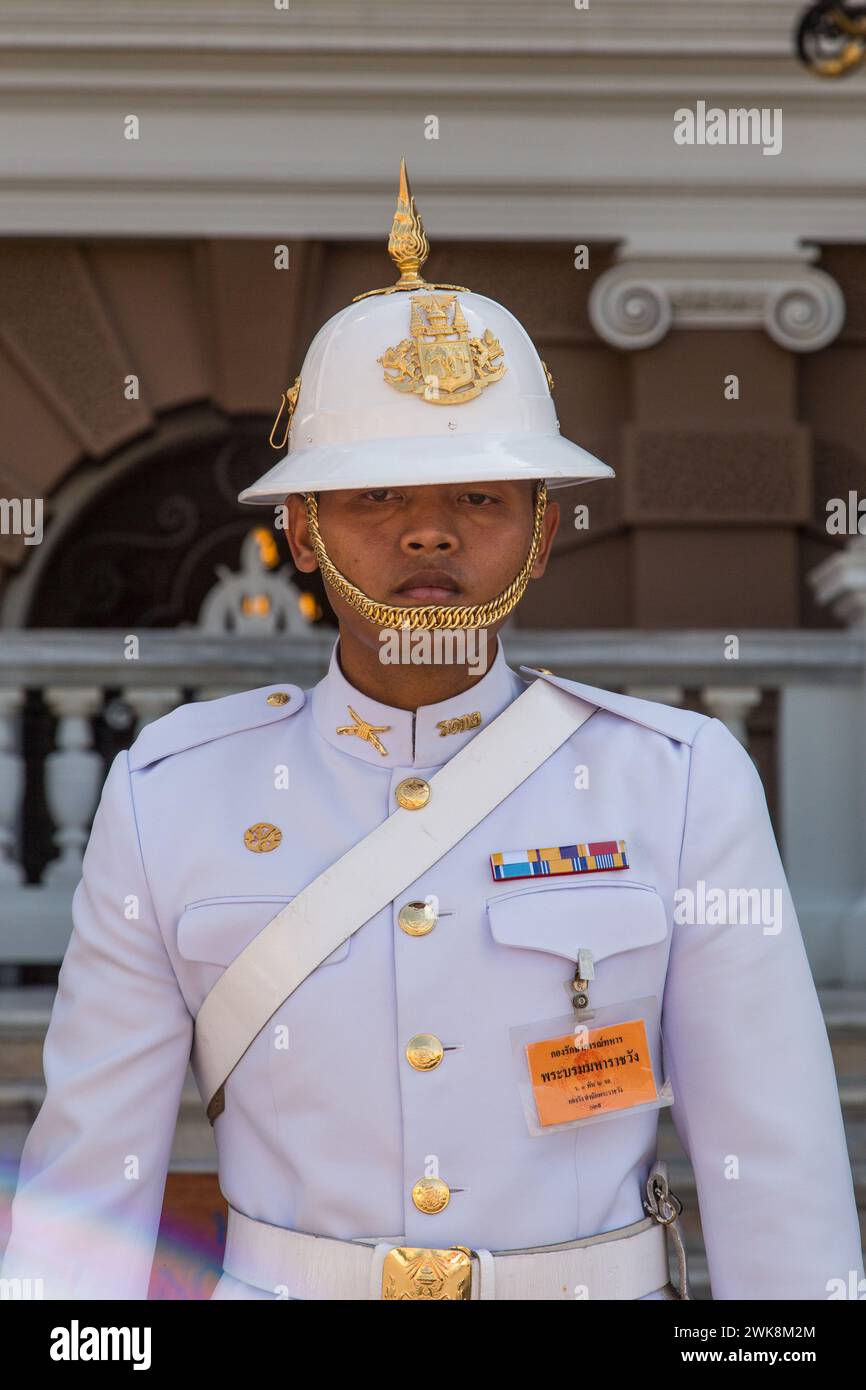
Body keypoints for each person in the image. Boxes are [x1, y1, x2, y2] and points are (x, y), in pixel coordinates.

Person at [2, 164, 862, 1302]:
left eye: (477, 497)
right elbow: (88, 1194)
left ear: (541, 534)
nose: (426, 534)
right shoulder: (171, 794)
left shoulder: (675, 782)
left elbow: (777, 1173)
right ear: (300, 535)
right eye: (374, 499)